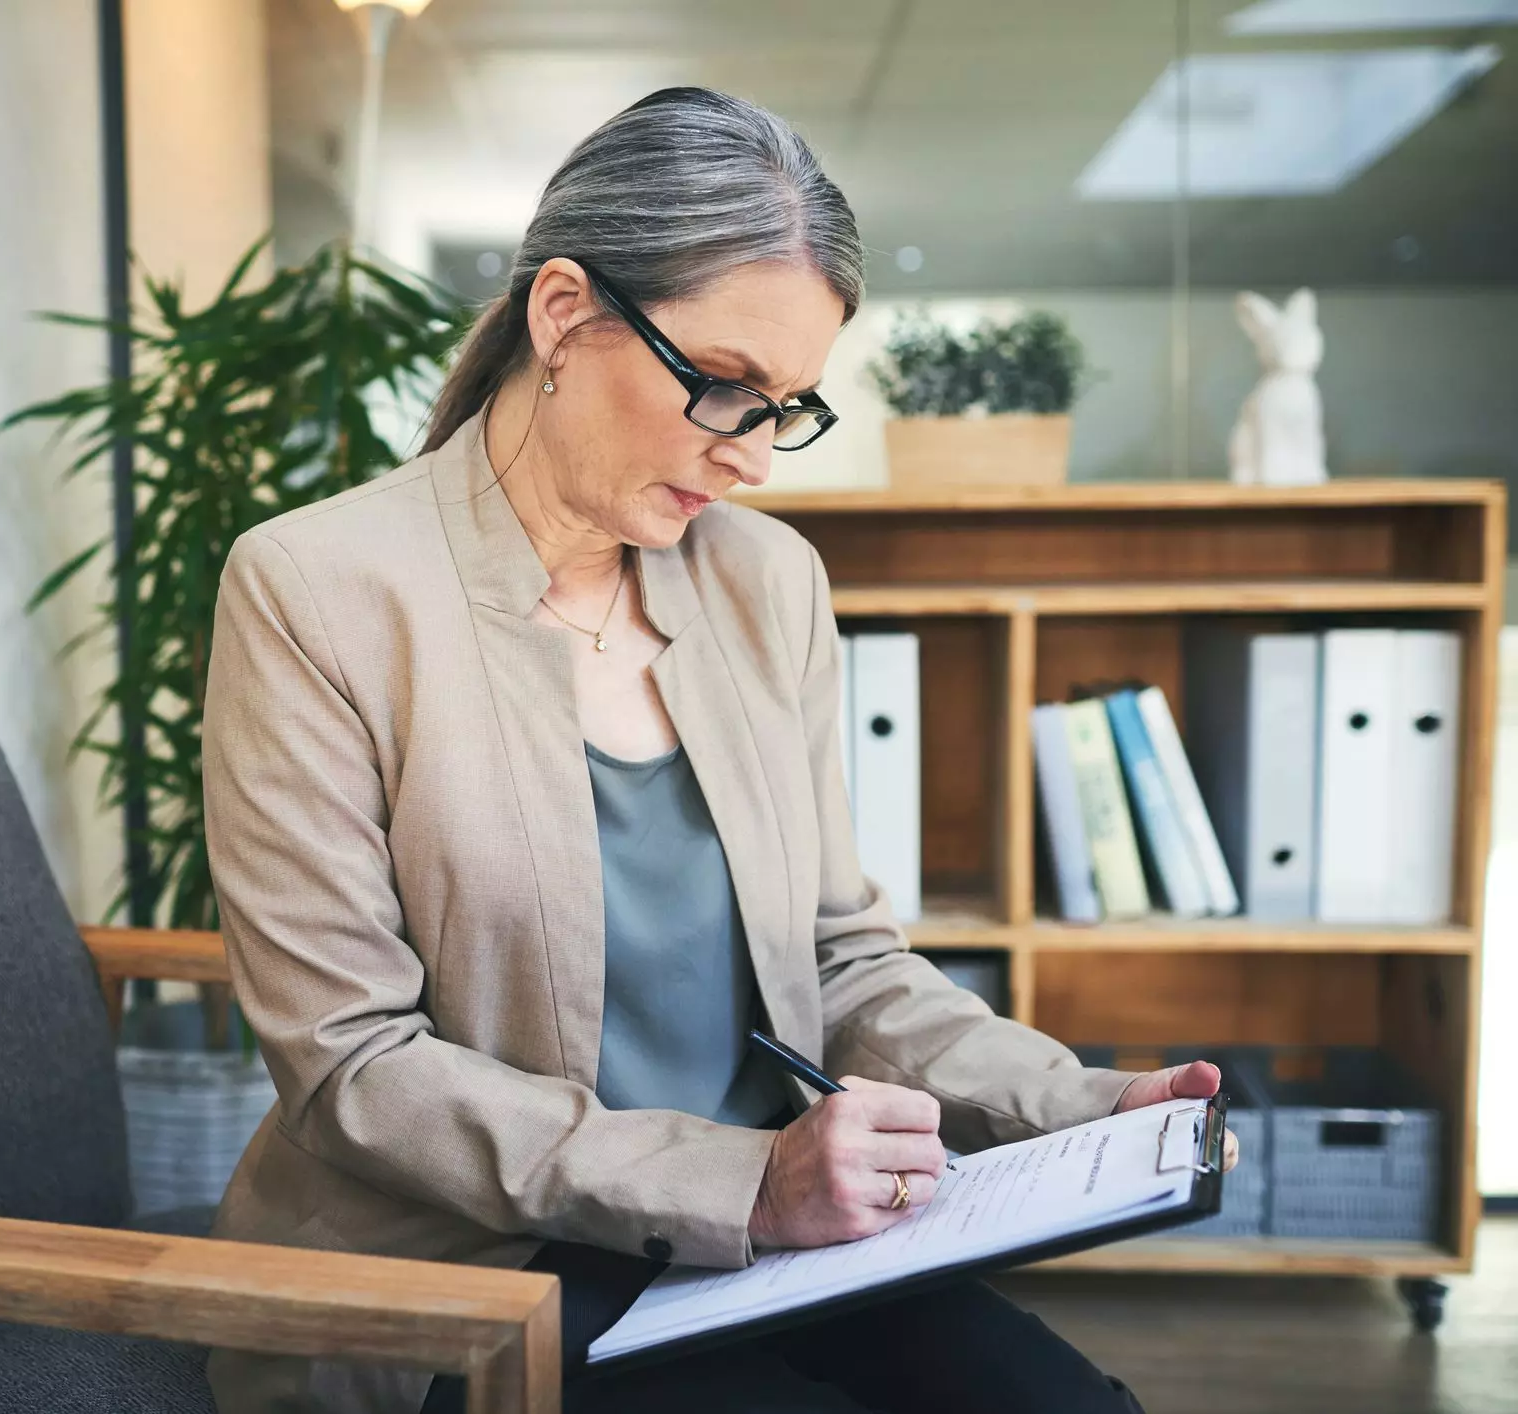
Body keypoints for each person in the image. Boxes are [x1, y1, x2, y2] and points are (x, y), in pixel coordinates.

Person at [199, 87, 1231, 1414]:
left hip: (764, 1245)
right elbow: (353, 1066)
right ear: (562, 312)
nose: (747, 457)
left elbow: (839, 958)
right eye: (723, 386)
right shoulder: (315, 587)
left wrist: (1078, 1103)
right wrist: (739, 1180)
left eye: (786, 407)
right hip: (475, 1267)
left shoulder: (766, 583)